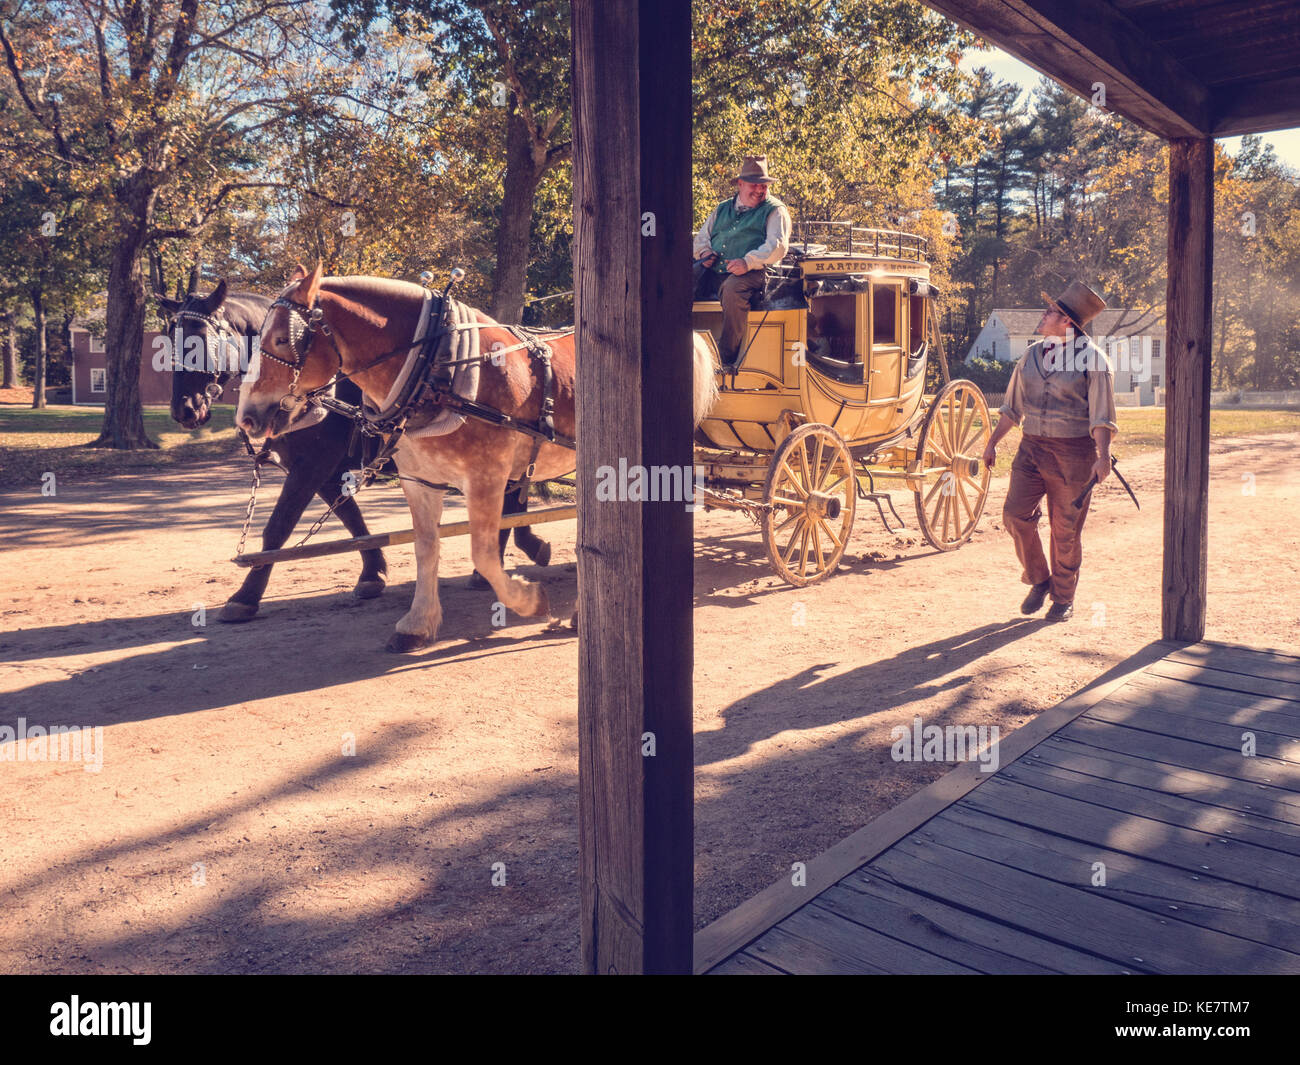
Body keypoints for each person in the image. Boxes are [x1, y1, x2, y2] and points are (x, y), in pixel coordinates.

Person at [981, 282, 1117, 623]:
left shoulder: (1094, 360)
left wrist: (1103, 456)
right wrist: (992, 442)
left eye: (1051, 311)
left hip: (1074, 454)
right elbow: (1012, 408)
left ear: (1068, 322)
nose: (1044, 315)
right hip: (1031, 449)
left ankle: (1063, 597)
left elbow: (1102, 415)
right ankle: (1040, 578)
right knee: (1014, 515)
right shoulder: (1031, 355)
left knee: (1065, 530)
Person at [692, 155, 792, 368]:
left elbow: (777, 246)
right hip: (715, 271)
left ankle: (725, 358)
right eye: (754, 185)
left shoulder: (776, 210)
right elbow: (701, 239)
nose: (759, 190)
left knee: (732, 289)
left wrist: (747, 262)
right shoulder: (721, 208)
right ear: (740, 184)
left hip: (755, 273)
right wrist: (704, 254)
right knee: (679, 282)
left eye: (763, 186)